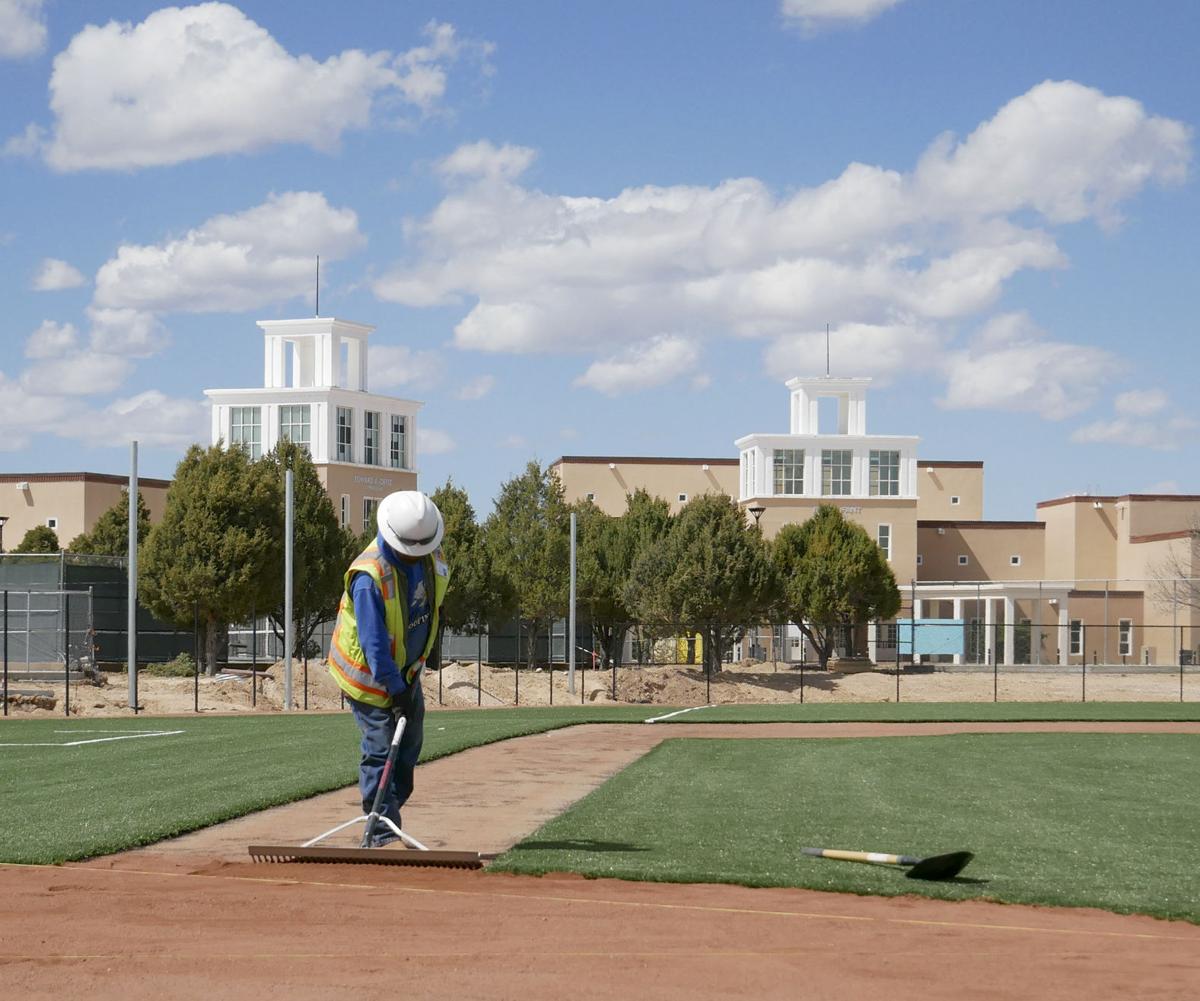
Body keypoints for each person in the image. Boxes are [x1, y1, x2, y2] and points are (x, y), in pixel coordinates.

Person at [327, 490, 450, 847]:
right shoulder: (368, 577)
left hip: (407, 673)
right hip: (368, 677)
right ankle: (380, 831)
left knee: (409, 746)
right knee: (381, 748)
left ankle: (388, 811)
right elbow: (375, 643)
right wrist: (394, 690)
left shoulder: (429, 555)